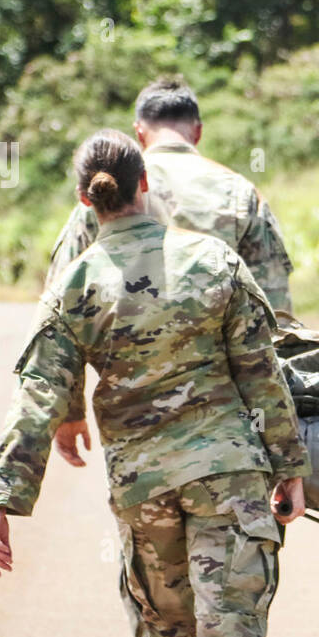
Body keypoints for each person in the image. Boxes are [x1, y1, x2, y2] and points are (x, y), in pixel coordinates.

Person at [0, 129, 309, 637]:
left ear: (85, 200)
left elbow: (37, 398)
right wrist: (289, 468)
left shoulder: (74, 286)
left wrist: (1, 501)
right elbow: (263, 375)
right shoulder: (214, 260)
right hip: (229, 479)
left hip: (144, 492)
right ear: (146, 184)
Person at [51, 76, 294, 467]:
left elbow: (62, 309)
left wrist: (70, 408)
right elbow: (277, 315)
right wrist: (281, 435)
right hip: (230, 422)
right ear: (197, 131)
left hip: (136, 419)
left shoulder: (106, 189)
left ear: (138, 133)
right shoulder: (239, 192)